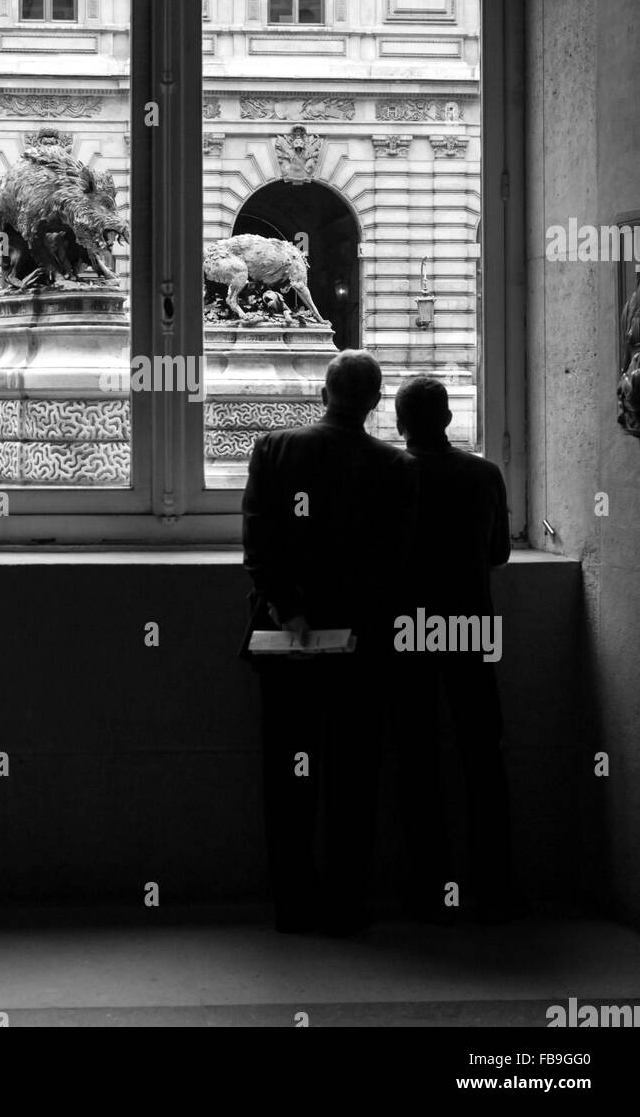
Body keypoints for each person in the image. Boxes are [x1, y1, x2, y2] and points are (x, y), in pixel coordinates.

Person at [242, 350, 418, 934]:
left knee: (285, 773)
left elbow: (258, 540)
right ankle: (346, 903)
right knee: (353, 773)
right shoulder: (393, 467)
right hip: (360, 640)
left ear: (324, 392)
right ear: (374, 402)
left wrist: (286, 603)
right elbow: (395, 561)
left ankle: (291, 904)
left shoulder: (272, 448)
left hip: (284, 636)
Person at [392, 375, 516, 922]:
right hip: (470, 622)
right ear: (446, 420)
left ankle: (428, 888)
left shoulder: (389, 474)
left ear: (399, 424)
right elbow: (498, 556)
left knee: (418, 756)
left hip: (408, 627)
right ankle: (496, 887)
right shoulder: (485, 473)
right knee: (483, 753)